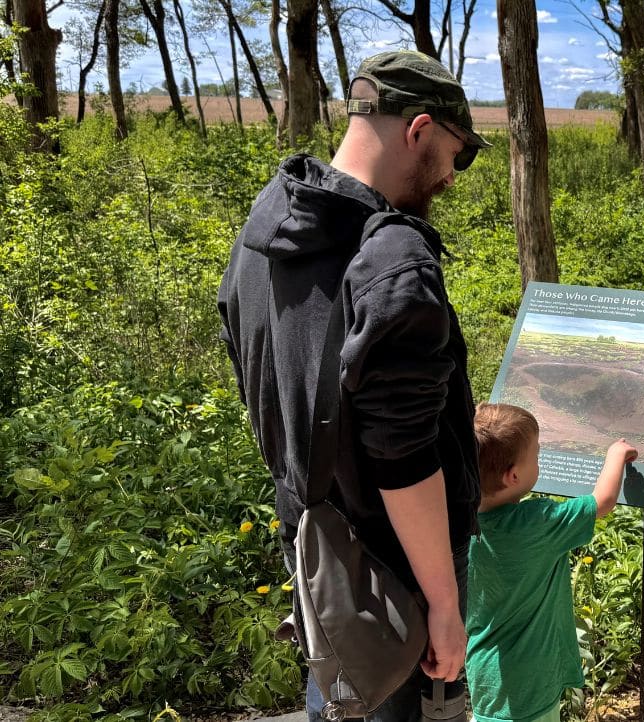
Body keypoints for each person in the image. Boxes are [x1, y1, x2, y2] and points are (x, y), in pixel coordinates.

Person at [217, 50, 491, 722]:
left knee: (338, 703)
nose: (454, 178)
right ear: (419, 129)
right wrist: (445, 607)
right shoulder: (394, 257)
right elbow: (403, 456)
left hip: (314, 556)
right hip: (397, 586)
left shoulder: (266, 228)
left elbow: (249, 363)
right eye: (460, 155)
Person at [465, 403, 638, 722]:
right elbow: (603, 501)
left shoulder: (458, 524)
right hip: (530, 681)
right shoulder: (536, 523)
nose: (539, 459)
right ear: (513, 475)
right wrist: (616, 455)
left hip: (486, 674)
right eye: (537, 454)